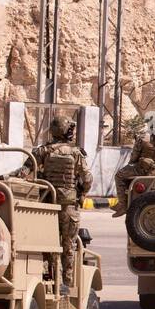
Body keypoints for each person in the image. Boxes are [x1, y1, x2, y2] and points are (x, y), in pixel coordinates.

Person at [35, 116, 92, 291]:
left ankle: (49, 282)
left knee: (48, 245)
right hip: (69, 206)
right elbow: (87, 179)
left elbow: (24, 171)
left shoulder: (42, 151)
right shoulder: (76, 153)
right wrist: (81, 193)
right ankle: (67, 285)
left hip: (47, 206)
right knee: (69, 246)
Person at [113, 126, 155, 216]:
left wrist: (131, 163)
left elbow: (134, 157)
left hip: (144, 169)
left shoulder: (143, 138)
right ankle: (121, 203)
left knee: (119, 175)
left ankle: (122, 205)